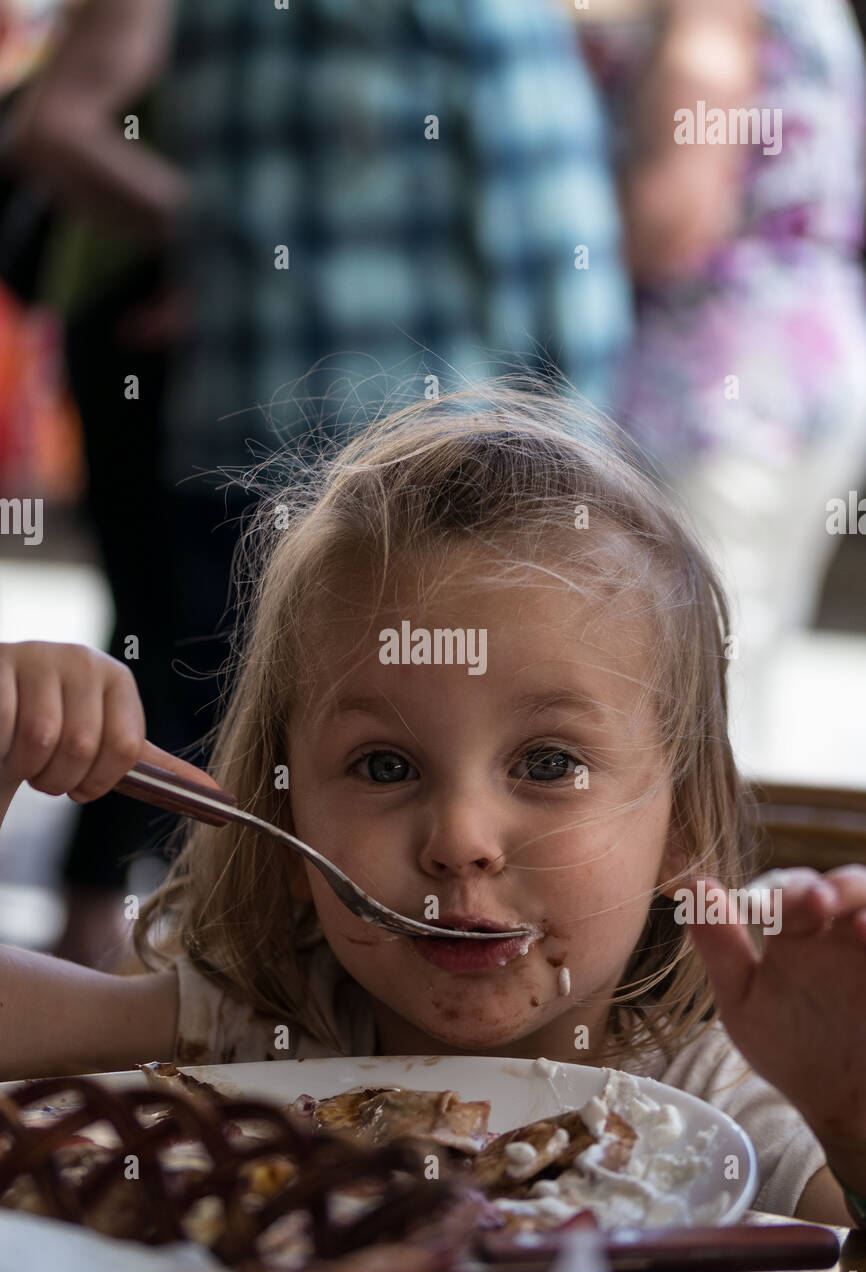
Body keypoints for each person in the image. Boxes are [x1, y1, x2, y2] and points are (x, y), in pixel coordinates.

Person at [0, 381, 864, 1229]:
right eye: (384, 766)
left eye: (549, 762)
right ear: (287, 822)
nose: (460, 840)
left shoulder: (715, 1094)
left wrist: (847, 1113)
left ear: (680, 828)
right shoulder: (246, 1036)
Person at [6, 0, 633, 965]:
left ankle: (238, 1025)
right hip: (427, 464)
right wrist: (579, 476)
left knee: (267, 757)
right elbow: (544, 220)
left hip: (232, 434)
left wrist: (239, 258)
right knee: (450, 753)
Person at [571, 0, 866, 766]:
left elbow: (677, 208)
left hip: (724, 391)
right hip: (796, 371)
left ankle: (709, 885)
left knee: (697, 690)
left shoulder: (712, 10)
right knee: (740, 671)